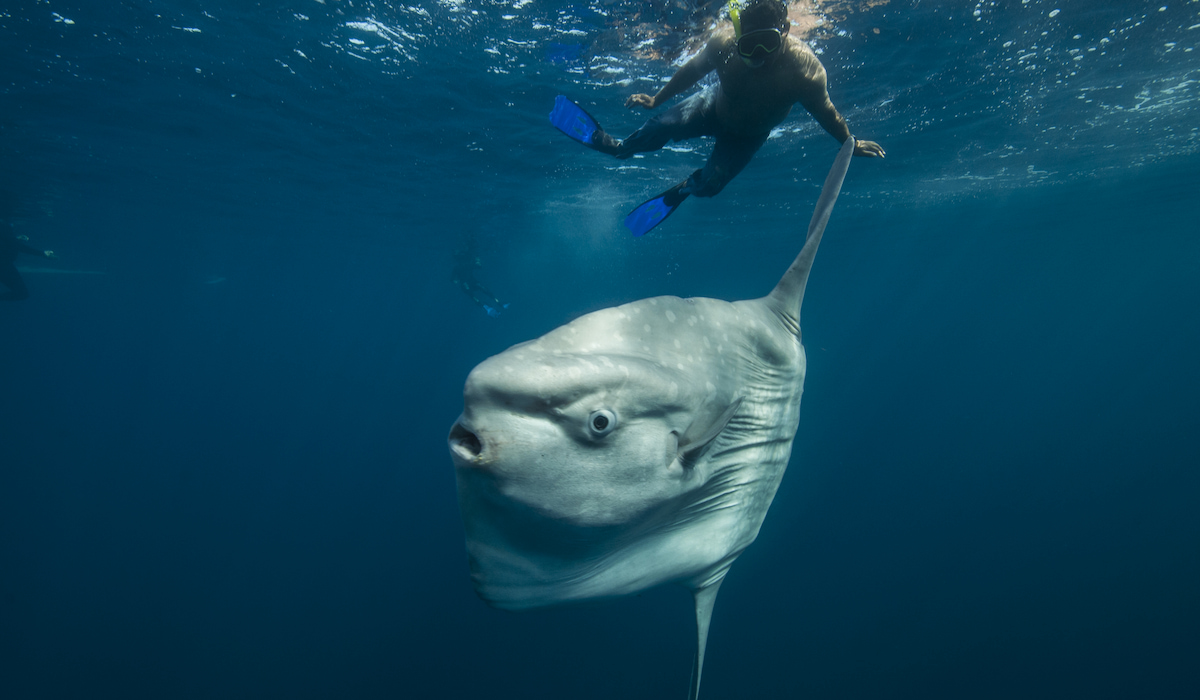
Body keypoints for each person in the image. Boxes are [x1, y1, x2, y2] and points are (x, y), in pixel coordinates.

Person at [549, 0, 885, 236]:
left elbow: (826, 111)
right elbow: (689, 74)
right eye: (749, 45)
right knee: (656, 132)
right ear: (737, 36)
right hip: (712, 106)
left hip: (747, 136)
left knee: (710, 186)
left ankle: (684, 188)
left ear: (784, 30)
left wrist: (847, 142)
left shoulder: (804, 71)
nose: (758, 56)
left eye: (767, 43)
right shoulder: (723, 44)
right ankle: (616, 146)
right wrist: (656, 100)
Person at [452, 237, 509, 318]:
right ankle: (487, 307)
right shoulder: (459, 267)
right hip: (466, 284)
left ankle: (496, 305)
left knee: (481, 291)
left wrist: (477, 261)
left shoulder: (463, 266)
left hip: (469, 282)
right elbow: (453, 279)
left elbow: (478, 266)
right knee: (474, 295)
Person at [1, 223, 55, 301]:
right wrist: (43, 254)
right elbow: (19, 247)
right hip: (4, 267)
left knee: (22, 293)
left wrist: (16, 239)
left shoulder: (6, 233)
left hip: (5, 266)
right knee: (22, 293)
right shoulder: (5, 228)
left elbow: (12, 243)